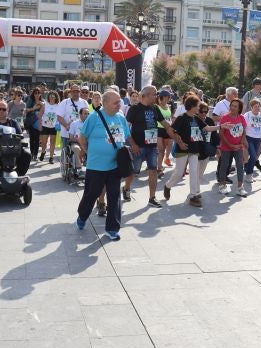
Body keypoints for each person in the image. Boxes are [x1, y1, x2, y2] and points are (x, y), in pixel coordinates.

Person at [76, 90, 137, 240]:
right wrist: (88, 152)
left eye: (120, 102)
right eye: (116, 102)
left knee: (114, 195)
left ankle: (112, 228)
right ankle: (83, 216)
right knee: (92, 194)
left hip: (115, 165)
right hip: (96, 166)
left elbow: (126, 136)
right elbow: (82, 138)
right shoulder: (94, 117)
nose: (119, 105)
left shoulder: (121, 117)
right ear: (106, 103)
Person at [123, 85, 182, 207]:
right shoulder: (134, 109)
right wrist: (133, 144)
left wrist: (176, 136)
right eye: (154, 94)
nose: (156, 96)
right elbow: (125, 128)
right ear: (145, 95)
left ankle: (152, 197)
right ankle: (126, 188)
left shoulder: (155, 108)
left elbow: (165, 124)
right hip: (138, 146)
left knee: (153, 171)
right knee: (134, 171)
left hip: (152, 146)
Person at [163, 95, 215, 207]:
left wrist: (222, 126)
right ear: (191, 106)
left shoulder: (196, 118)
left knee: (194, 171)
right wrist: (180, 142)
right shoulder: (182, 118)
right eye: (197, 106)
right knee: (179, 173)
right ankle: (168, 186)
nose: (199, 108)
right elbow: (171, 131)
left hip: (194, 150)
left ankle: (194, 195)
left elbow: (208, 128)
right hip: (183, 150)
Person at [0, 100, 31, 177]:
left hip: (11, 150)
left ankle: (17, 176)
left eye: (4, 109)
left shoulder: (13, 123)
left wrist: (21, 141)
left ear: (7, 110)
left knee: (26, 155)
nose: (1, 111)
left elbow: (21, 137)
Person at [217, 99, 249, 196]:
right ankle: (222, 186)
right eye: (232, 105)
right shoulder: (225, 118)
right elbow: (221, 134)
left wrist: (242, 143)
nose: (233, 108)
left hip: (238, 147)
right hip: (226, 147)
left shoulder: (241, 118)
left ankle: (240, 187)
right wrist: (230, 145)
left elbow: (244, 131)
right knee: (225, 165)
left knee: (240, 165)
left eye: (235, 106)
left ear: (239, 108)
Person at [56, 85, 89, 164]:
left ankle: (79, 165)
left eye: (77, 91)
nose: (75, 93)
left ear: (79, 92)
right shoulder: (65, 102)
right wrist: (66, 125)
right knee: (68, 152)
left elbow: (88, 116)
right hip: (67, 132)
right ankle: (67, 164)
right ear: (70, 92)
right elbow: (59, 116)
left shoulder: (84, 102)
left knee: (82, 150)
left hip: (81, 133)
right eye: (73, 91)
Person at [243, 98, 261, 182]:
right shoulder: (247, 115)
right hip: (249, 138)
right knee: (254, 157)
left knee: (254, 157)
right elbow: (243, 127)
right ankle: (249, 174)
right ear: (251, 107)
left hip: (257, 139)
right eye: (255, 106)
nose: (257, 108)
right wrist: (243, 139)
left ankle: (248, 171)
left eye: (258, 106)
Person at [38, 90, 60, 163]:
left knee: (52, 141)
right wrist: (40, 124)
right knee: (44, 142)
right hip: (45, 125)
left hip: (54, 126)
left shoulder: (58, 106)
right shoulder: (45, 104)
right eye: (50, 96)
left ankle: (51, 157)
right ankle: (43, 152)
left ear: (56, 97)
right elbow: (40, 115)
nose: (51, 98)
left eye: (53, 96)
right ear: (48, 97)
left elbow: (60, 116)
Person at [68, 107, 90, 178]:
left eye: (88, 114)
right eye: (85, 114)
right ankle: (79, 169)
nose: (87, 115)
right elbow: (71, 137)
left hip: (87, 143)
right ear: (80, 115)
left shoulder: (91, 124)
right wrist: (79, 140)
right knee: (77, 148)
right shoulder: (74, 124)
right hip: (76, 143)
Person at [156, 90, 175, 172]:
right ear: (162, 97)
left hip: (168, 129)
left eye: (169, 97)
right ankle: (159, 167)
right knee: (161, 149)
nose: (169, 98)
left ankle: (167, 159)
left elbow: (170, 117)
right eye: (167, 97)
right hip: (159, 129)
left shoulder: (169, 106)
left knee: (170, 144)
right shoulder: (156, 107)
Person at [24, 88, 44, 160]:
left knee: (37, 139)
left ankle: (35, 154)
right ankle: (32, 153)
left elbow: (45, 110)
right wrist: (34, 108)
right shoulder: (30, 100)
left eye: (38, 93)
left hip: (38, 122)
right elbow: (26, 110)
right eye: (35, 93)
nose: (37, 94)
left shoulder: (42, 101)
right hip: (31, 121)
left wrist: (41, 105)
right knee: (32, 138)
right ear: (33, 94)